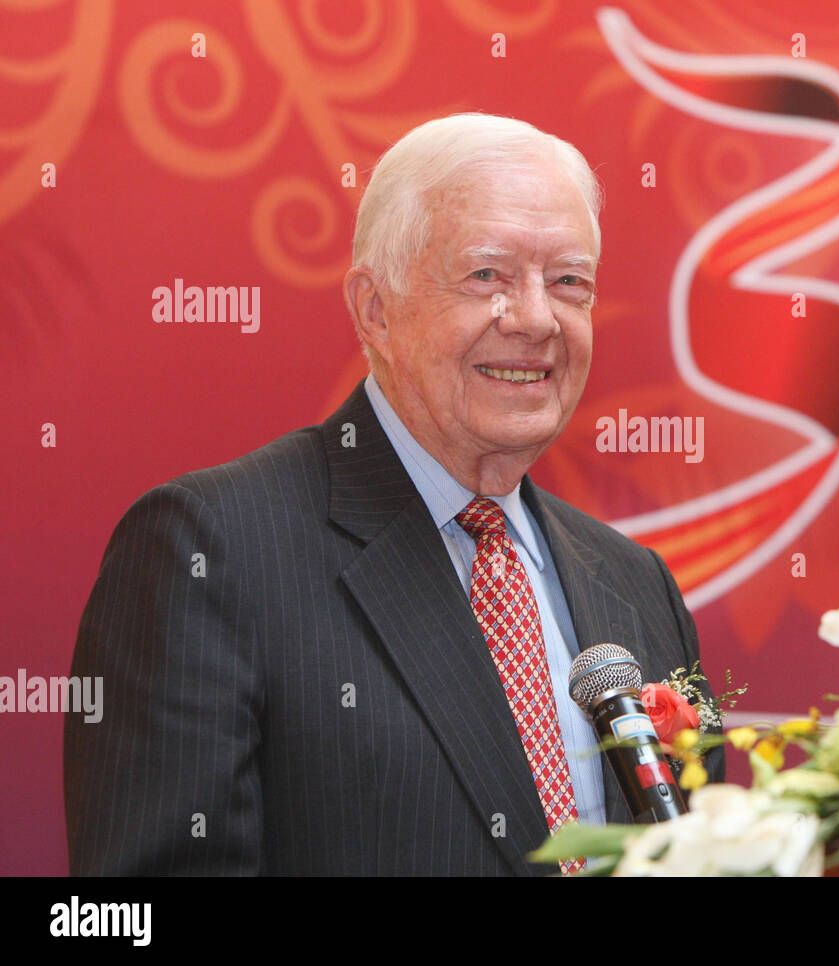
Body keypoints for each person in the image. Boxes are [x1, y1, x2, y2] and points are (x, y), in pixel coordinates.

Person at [64, 113, 723, 876]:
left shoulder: (637, 584)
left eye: (569, 282)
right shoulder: (212, 552)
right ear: (375, 309)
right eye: (488, 276)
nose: (539, 318)